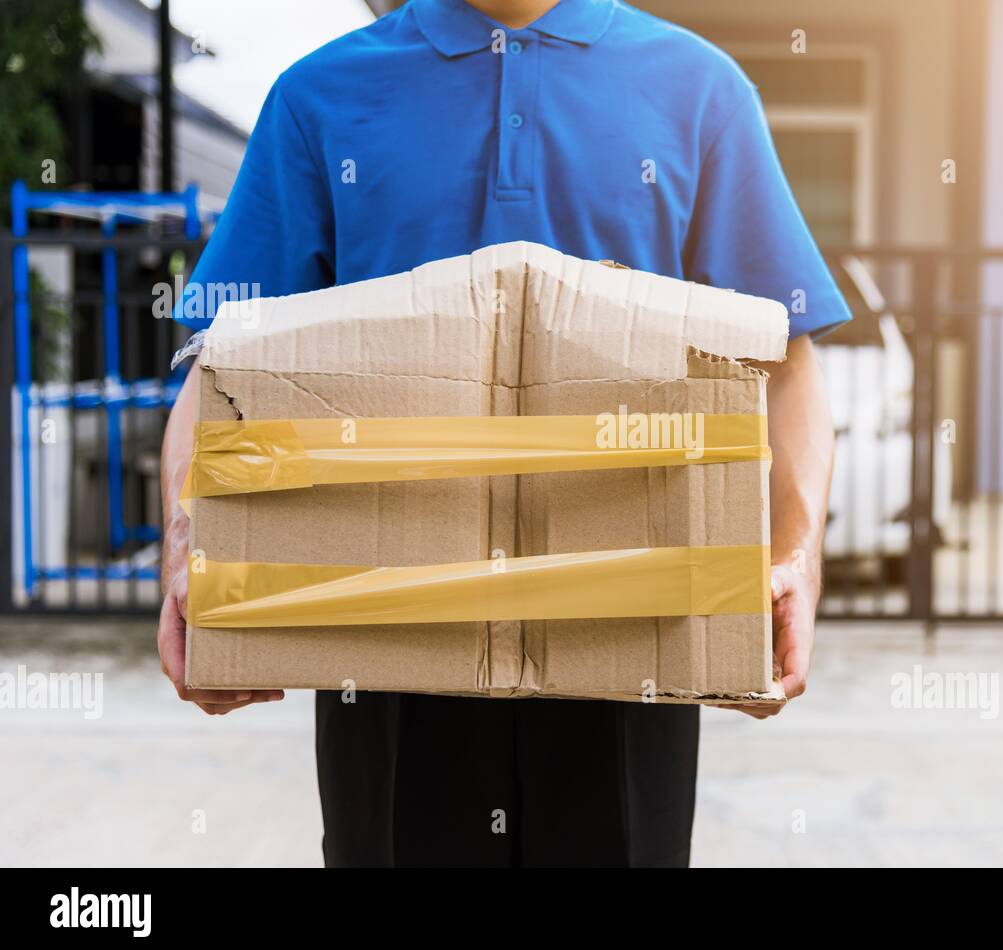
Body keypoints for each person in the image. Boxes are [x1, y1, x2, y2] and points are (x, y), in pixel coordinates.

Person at [157, 0, 847, 867]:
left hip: (636, 632)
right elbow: (217, 369)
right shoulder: (321, 98)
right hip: (385, 642)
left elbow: (786, 362)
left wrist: (793, 555)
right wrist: (187, 551)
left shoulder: (699, 90)